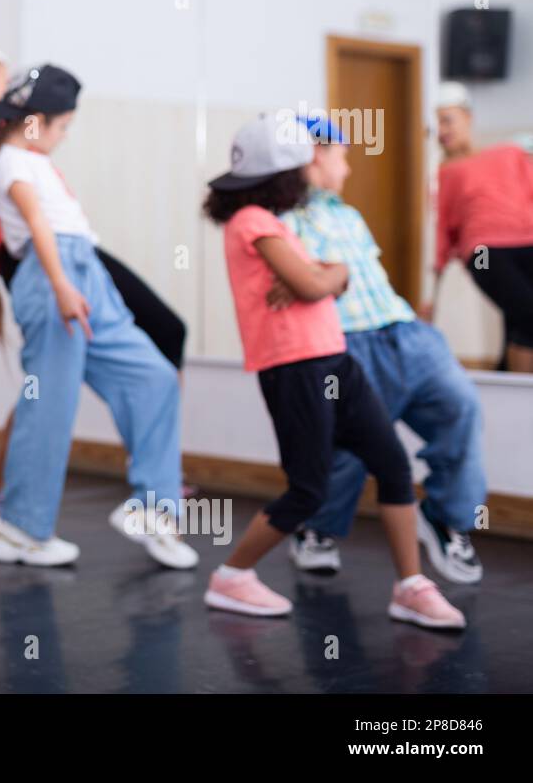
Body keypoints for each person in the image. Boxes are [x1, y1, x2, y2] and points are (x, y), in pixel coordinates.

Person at [201, 112, 463, 628]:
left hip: (332, 356)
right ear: (285, 174)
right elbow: (316, 286)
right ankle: (231, 576)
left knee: (391, 465)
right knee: (308, 489)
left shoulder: (273, 224)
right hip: (293, 367)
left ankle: (410, 585)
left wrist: (321, 274)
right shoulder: (253, 221)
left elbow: (313, 281)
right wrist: (329, 273)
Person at [0, 34, 187, 528]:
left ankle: (155, 490)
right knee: (50, 390)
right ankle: (12, 510)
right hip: (43, 259)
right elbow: (13, 195)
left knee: (115, 372)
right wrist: (53, 276)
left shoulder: (14, 148)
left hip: (64, 254)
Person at [279, 116, 486, 584]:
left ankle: (446, 518)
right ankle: (318, 529)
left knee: (461, 409)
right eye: (342, 155)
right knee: (351, 448)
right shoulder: (278, 222)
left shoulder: (348, 215)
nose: (348, 168)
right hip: (346, 344)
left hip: (406, 333)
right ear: (316, 154)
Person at [424, 81, 533, 372]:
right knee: (527, 314)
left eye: (447, 120)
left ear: (467, 117)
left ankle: (506, 376)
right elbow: (441, 230)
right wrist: (431, 291)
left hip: (527, 241)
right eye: (435, 125)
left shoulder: (509, 153)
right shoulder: (443, 174)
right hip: (484, 252)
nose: (442, 130)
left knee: (519, 318)